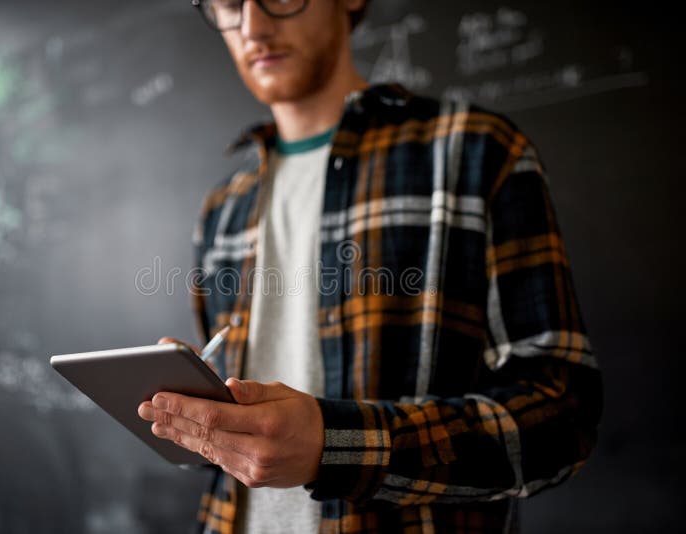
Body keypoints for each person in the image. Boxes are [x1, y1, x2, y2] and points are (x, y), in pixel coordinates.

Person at [137, 0, 603, 532]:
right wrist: (196, 414)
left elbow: (561, 416)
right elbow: (241, 447)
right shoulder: (225, 206)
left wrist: (335, 446)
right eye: (228, 4)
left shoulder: (475, 152)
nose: (254, 27)